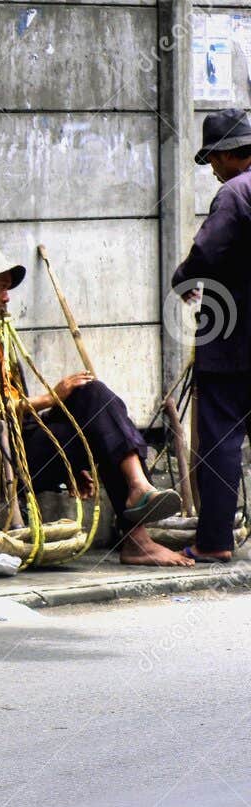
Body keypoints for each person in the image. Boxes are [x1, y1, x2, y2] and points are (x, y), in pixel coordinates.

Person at [0, 243, 189, 567]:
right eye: (2, 288)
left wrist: (72, 461)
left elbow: (19, 408)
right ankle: (137, 538)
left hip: (22, 440)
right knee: (90, 423)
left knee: (92, 394)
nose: (8, 298)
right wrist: (50, 398)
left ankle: (138, 486)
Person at [172, 109, 251, 564]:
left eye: (213, 161)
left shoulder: (235, 194)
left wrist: (183, 279)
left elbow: (206, 252)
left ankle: (215, 540)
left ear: (226, 154)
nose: (213, 171)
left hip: (233, 341)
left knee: (220, 437)